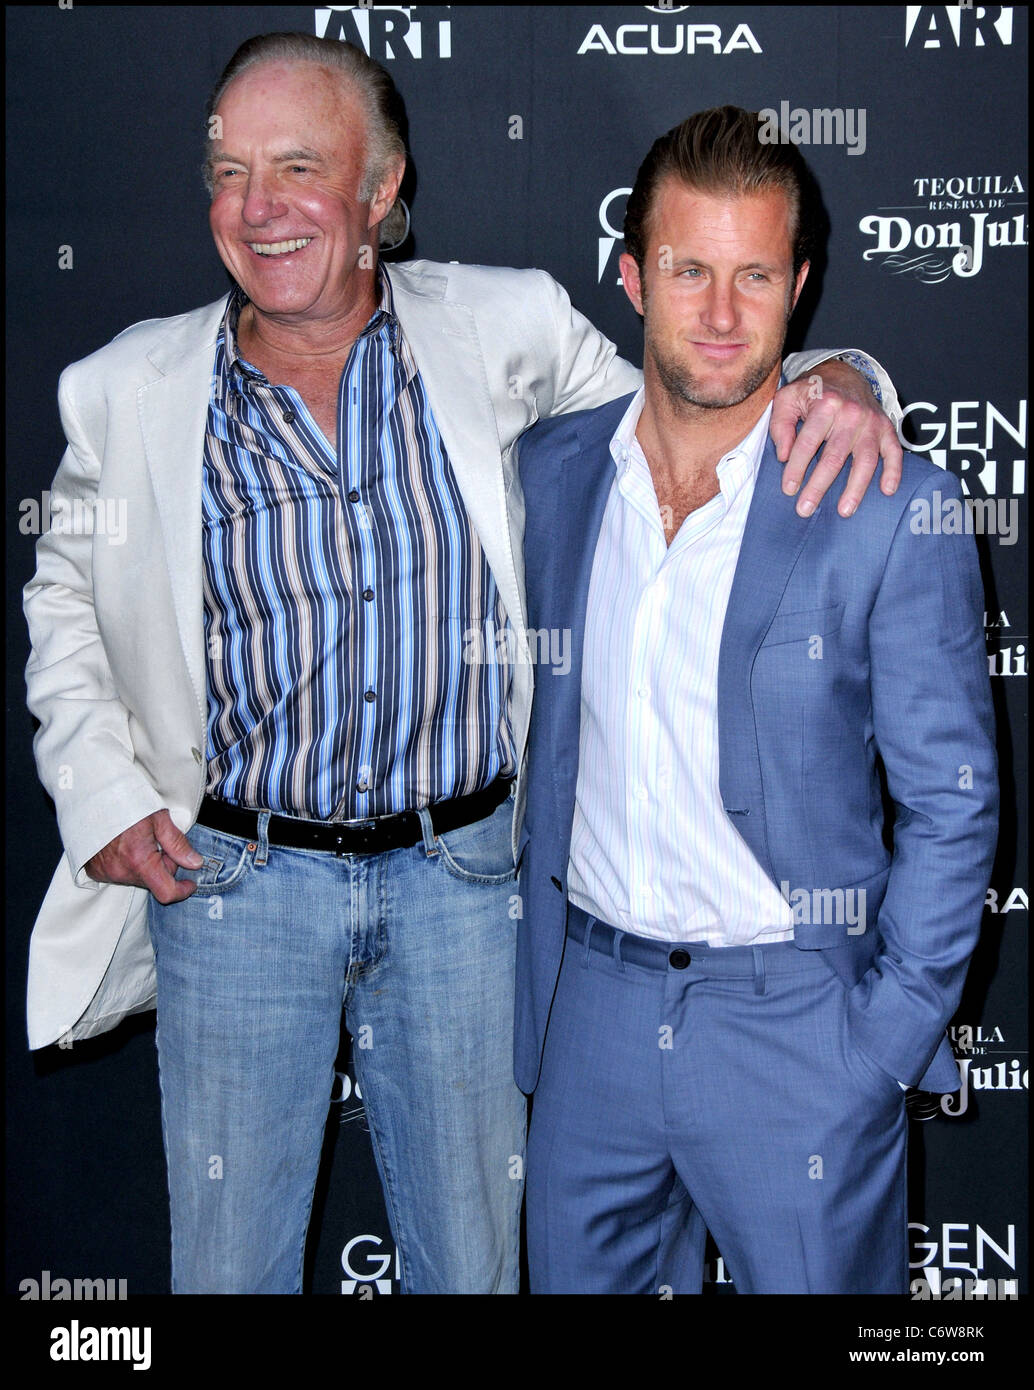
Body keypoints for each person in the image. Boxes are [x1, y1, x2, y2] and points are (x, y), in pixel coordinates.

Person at [24, 35, 902, 1296]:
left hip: (465, 884)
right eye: (227, 172)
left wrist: (845, 378)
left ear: (381, 193)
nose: (254, 208)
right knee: (229, 1272)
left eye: (295, 169)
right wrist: (100, 789)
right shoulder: (126, 386)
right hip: (232, 887)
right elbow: (62, 590)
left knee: (474, 1268)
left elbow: (694, 406)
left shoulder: (505, 327)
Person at [515, 106, 998, 1295]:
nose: (720, 314)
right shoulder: (552, 472)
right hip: (591, 1019)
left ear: (801, 285)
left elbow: (952, 804)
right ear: (630, 275)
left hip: (799, 1028)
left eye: (753, 276)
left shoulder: (886, 502)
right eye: (687, 270)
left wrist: (879, 1046)